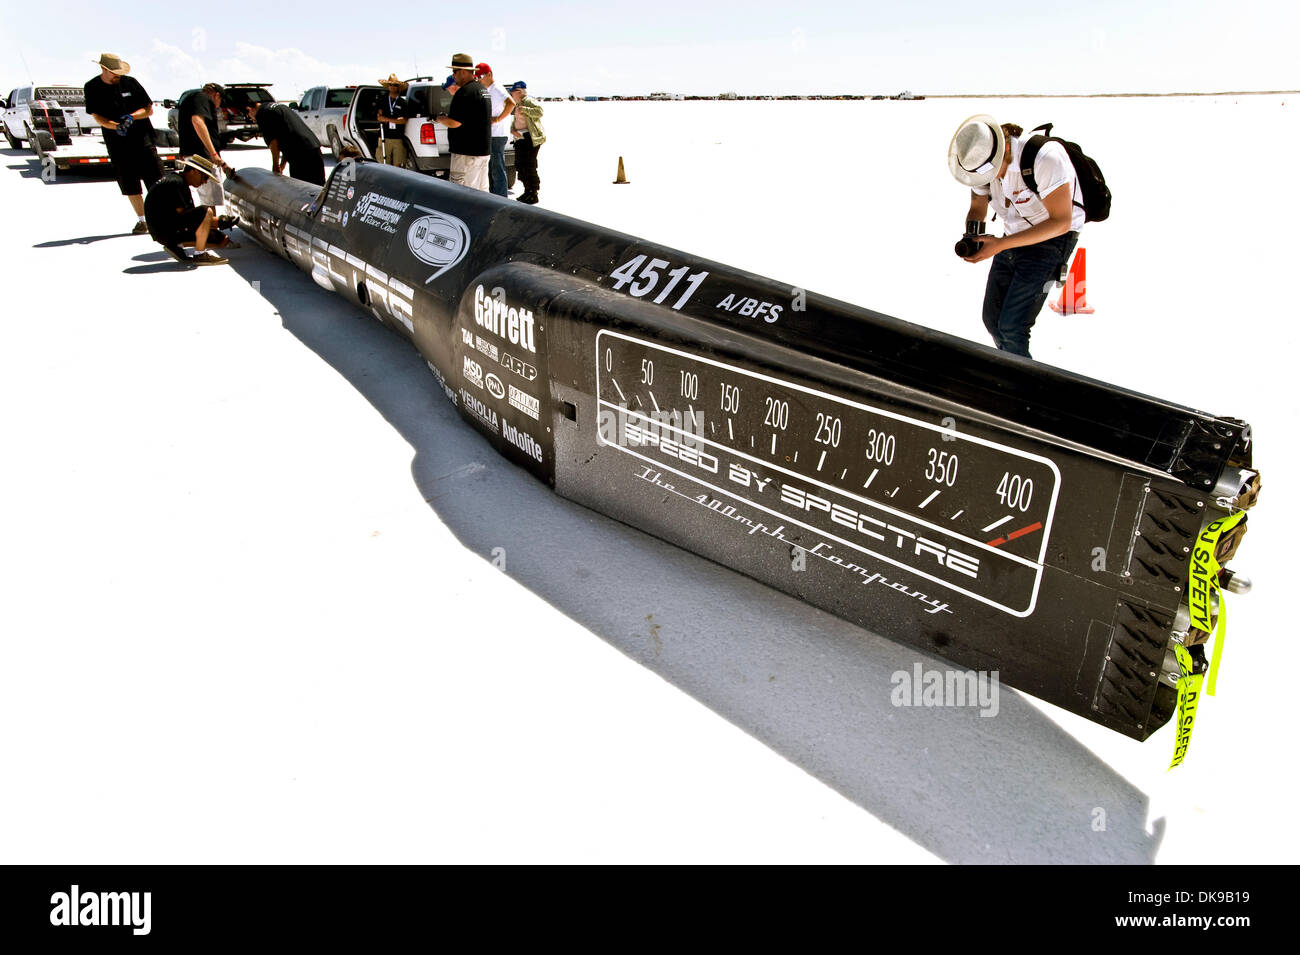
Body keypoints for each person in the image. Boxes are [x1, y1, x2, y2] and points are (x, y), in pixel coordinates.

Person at [949, 114, 1083, 359]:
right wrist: (972, 236)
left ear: (1002, 151)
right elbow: (978, 206)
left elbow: (1061, 221)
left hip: (1052, 239)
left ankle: (1021, 390)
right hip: (1012, 236)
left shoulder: (1045, 159)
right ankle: (1011, 370)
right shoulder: (980, 159)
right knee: (992, 319)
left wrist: (1000, 245)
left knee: (1012, 326)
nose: (986, 182)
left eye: (987, 175)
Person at [84, 53, 164, 235]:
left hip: (143, 140)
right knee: (129, 184)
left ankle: (161, 218)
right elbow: (97, 116)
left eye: (119, 73)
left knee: (156, 181)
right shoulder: (92, 87)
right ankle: (143, 221)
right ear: (103, 69)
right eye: (114, 73)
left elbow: (148, 109)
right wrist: (115, 126)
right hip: (118, 143)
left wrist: (132, 116)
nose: (117, 76)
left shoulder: (130, 83)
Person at [144, 155, 238, 266]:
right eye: (205, 178)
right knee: (206, 210)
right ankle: (200, 255)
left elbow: (189, 218)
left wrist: (221, 221)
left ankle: (176, 246)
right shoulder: (177, 184)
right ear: (195, 172)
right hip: (164, 231)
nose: (205, 182)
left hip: (164, 228)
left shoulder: (177, 181)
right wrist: (218, 221)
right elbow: (192, 219)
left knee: (222, 239)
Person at [177, 83, 235, 223]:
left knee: (208, 197)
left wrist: (221, 163)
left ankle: (210, 230)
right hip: (201, 155)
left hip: (196, 153)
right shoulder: (202, 98)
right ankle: (212, 233)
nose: (218, 107)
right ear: (217, 95)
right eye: (220, 103)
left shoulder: (191, 99)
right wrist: (213, 154)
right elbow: (197, 121)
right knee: (209, 199)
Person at [434, 53, 490, 191]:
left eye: (454, 72)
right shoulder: (482, 89)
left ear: (463, 72)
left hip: (466, 154)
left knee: (463, 195)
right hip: (482, 152)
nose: (453, 76)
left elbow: (455, 122)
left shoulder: (464, 92)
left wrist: (440, 118)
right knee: (482, 195)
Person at [250, 100, 325, 185]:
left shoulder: (262, 113)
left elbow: (273, 143)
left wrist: (275, 166)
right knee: (319, 188)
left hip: (299, 156)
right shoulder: (279, 106)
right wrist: (282, 165)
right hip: (313, 148)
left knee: (302, 190)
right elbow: (287, 136)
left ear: (249, 109)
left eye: (250, 117)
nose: (253, 120)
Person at [474, 62, 514, 196]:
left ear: (489, 74)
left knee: (497, 167)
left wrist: (497, 119)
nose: (478, 79)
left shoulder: (497, 89)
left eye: (481, 76)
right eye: (476, 77)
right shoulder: (487, 89)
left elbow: (511, 103)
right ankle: (494, 195)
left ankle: (501, 198)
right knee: (491, 168)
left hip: (497, 134)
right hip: (491, 134)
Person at [508, 81, 544, 205]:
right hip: (521, 139)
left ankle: (533, 193)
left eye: (513, 92)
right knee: (520, 165)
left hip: (529, 138)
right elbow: (517, 120)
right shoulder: (518, 103)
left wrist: (526, 109)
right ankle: (527, 191)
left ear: (518, 92)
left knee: (529, 165)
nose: (511, 94)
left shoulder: (528, 101)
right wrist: (512, 129)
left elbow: (539, 112)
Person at [376, 74, 410, 167]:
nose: (393, 87)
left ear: (398, 87)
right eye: (391, 85)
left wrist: (388, 119)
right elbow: (379, 117)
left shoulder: (402, 102)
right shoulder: (382, 100)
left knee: (397, 165)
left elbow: (404, 120)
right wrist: (395, 120)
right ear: (388, 87)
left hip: (397, 138)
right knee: (384, 164)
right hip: (384, 137)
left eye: (395, 85)